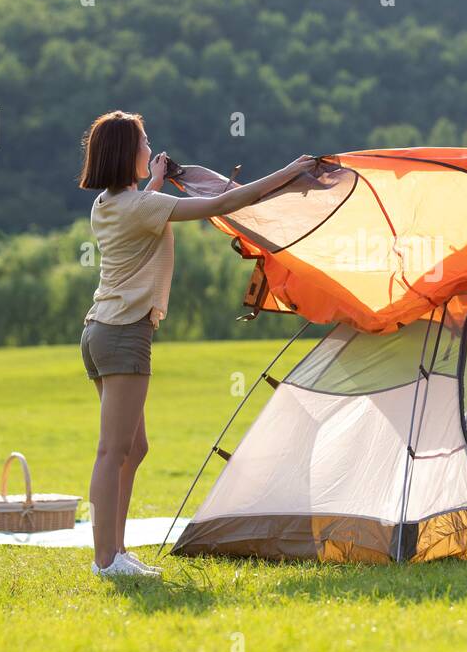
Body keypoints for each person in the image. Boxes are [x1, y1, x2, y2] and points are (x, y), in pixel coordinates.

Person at [75, 110, 316, 577]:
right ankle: (106, 560)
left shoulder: (110, 203)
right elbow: (220, 206)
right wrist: (288, 173)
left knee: (133, 448)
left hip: (100, 331)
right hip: (124, 333)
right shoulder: (142, 207)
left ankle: (116, 552)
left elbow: (141, 207)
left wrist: (157, 181)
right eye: (144, 142)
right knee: (112, 451)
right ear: (127, 152)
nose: (149, 148)